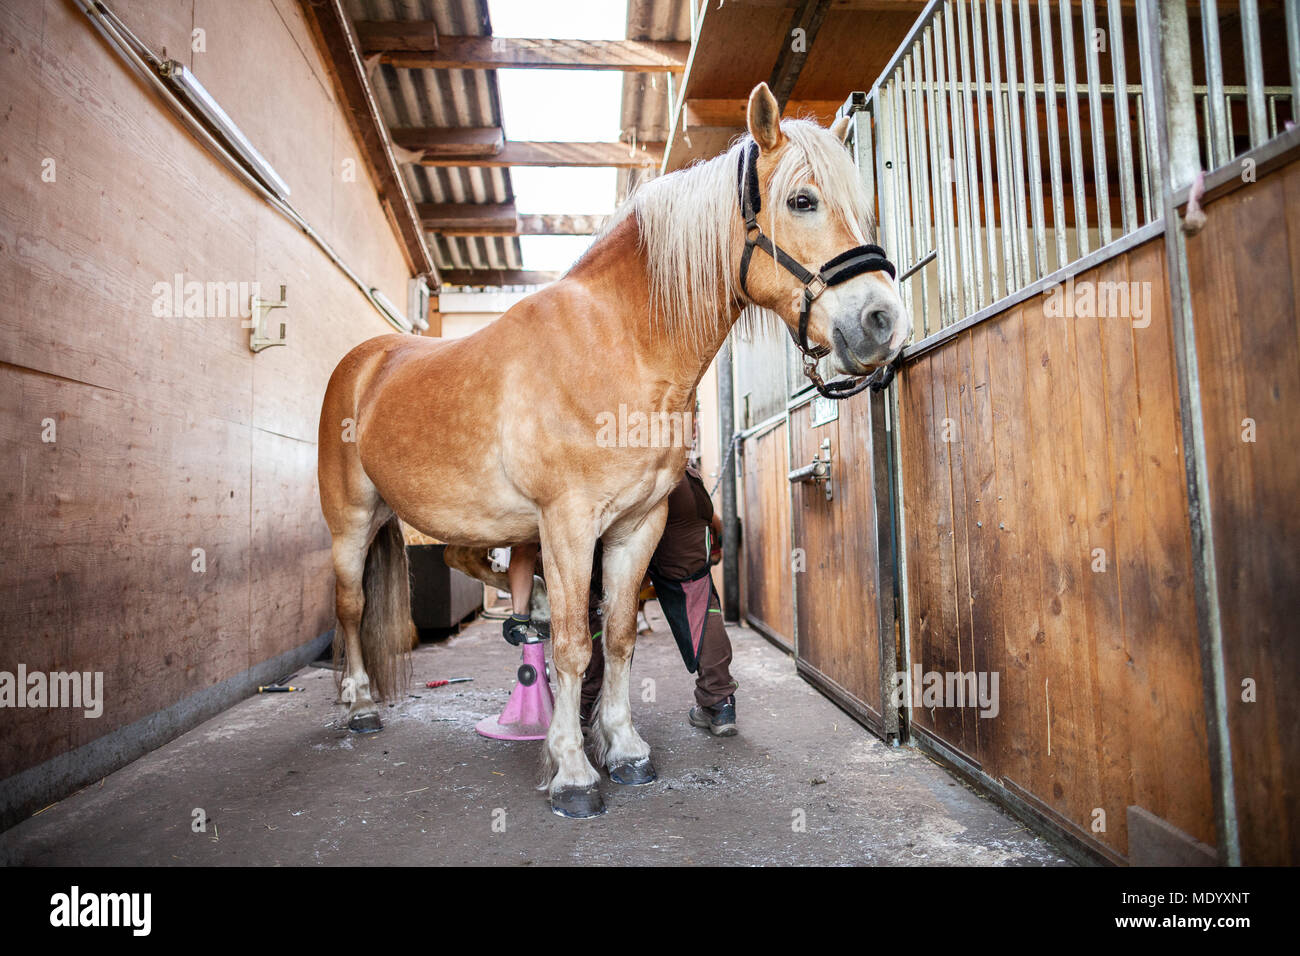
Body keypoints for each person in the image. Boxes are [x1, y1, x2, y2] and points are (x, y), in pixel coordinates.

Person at [579, 464, 739, 736]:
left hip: (617, 476)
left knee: (603, 596)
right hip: (675, 476)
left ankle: (590, 704)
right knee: (695, 591)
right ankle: (720, 702)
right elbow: (715, 520)